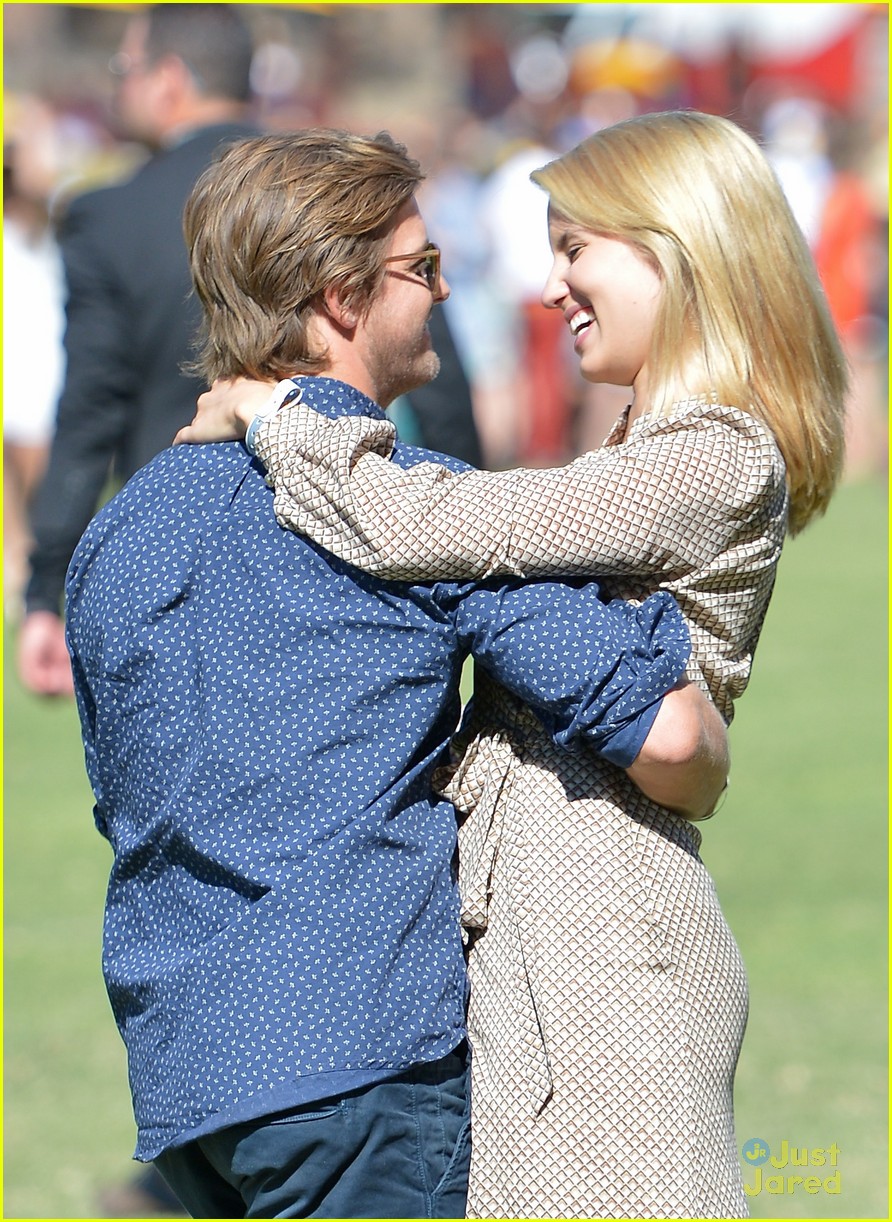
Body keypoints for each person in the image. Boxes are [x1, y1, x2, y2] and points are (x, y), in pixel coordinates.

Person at [179, 111, 848, 1217]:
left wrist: (277, 410)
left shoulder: (717, 453)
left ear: (677, 249)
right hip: (550, 928)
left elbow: (436, 527)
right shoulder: (651, 448)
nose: (550, 287)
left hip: (607, 940)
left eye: (576, 247)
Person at [65, 129, 730, 1219]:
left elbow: (120, 795)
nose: (442, 287)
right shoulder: (406, 513)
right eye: (420, 268)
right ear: (339, 297)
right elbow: (663, 734)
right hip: (359, 1070)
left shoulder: (117, 538)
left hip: (188, 1083)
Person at [18, 3, 257, 697]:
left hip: (178, 550)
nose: (116, 86)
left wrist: (45, 589)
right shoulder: (332, 187)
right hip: (336, 530)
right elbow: (435, 367)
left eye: (124, 68)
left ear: (168, 79)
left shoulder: (111, 214)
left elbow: (91, 404)